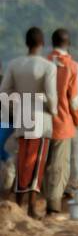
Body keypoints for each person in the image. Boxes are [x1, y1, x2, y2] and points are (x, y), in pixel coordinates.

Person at [0, 27, 58, 217]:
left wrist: (14, 109)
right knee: (37, 160)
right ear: (42, 43)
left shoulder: (14, 64)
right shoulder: (48, 66)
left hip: (21, 113)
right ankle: (32, 206)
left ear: (26, 43)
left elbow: (4, 92)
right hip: (40, 115)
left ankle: (18, 202)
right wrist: (54, 111)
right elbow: (51, 94)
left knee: (22, 159)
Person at [43, 28, 78, 217]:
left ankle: (36, 201)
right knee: (59, 165)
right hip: (62, 123)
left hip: (39, 122)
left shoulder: (42, 62)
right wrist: (77, 119)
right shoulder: (72, 66)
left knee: (42, 162)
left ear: (51, 43)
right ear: (69, 44)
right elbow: (75, 99)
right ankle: (53, 206)